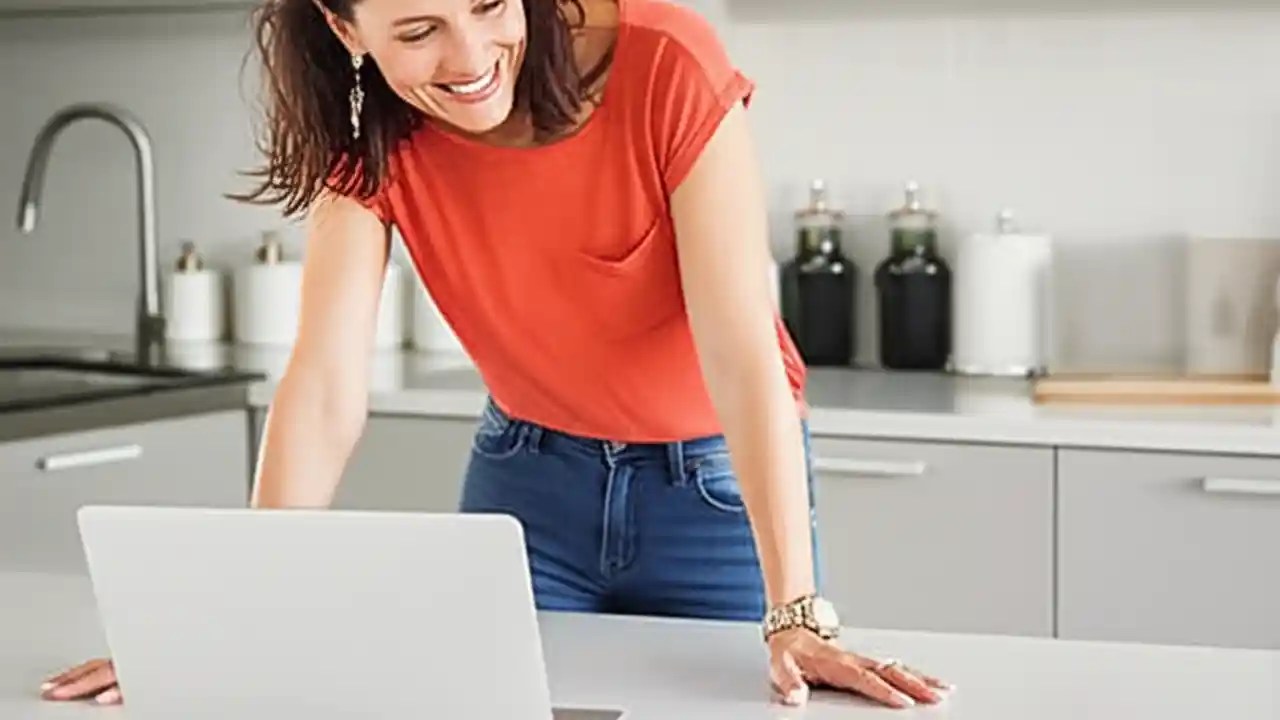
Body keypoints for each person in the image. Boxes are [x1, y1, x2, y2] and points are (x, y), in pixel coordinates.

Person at [38, 0, 953, 710]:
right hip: (529, 493)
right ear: (343, 30)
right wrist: (236, 613)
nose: (470, 59)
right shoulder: (371, 131)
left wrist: (795, 611)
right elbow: (322, 382)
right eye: (420, 30)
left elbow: (741, 347)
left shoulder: (662, 62)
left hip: (713, 496)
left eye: (488, 5)